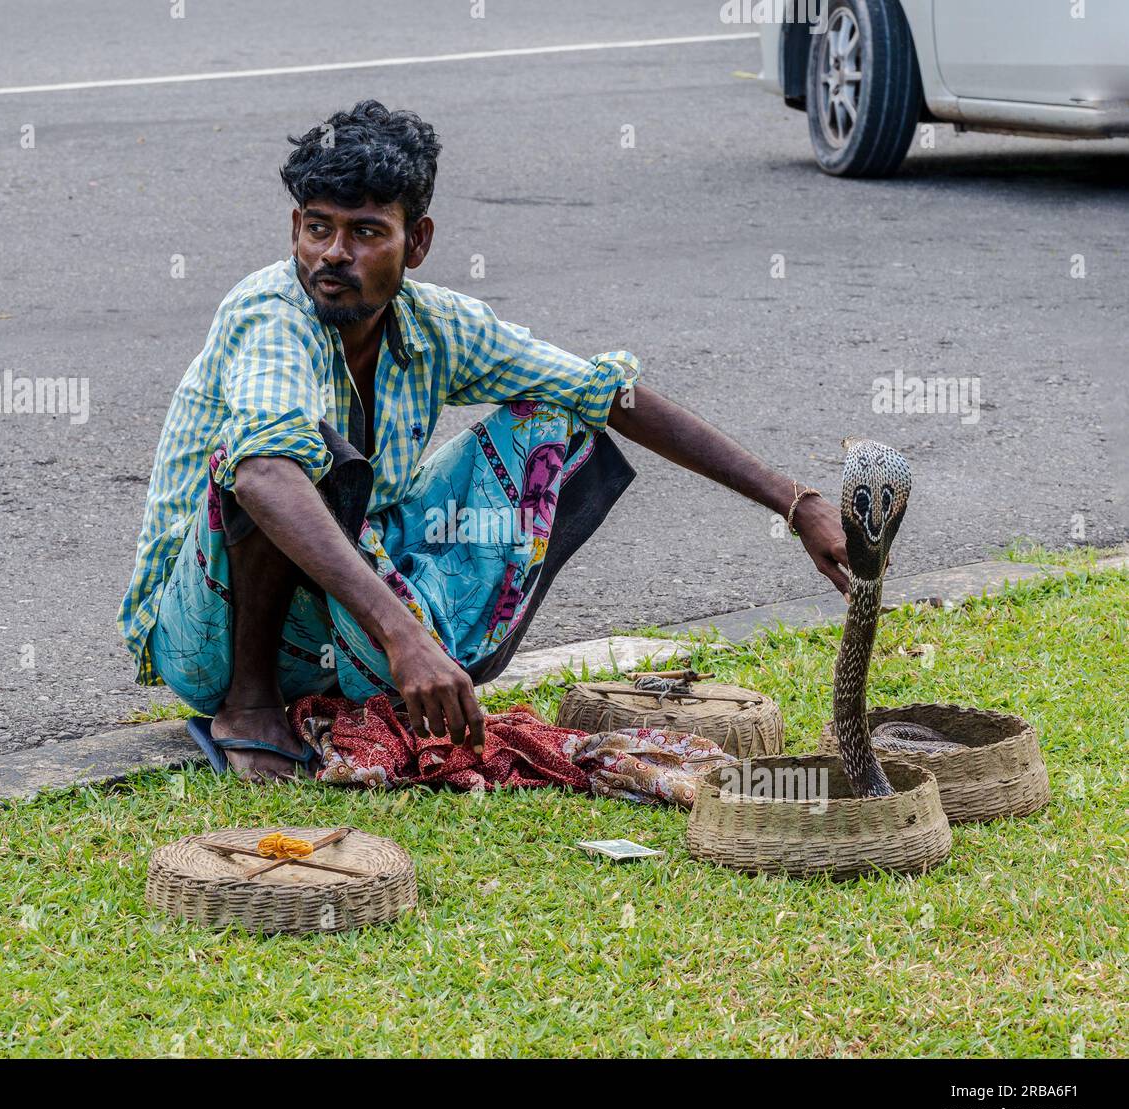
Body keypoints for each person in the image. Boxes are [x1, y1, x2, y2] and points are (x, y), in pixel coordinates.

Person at [119, 99, 849, 783]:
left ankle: (415, 664)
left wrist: (795, 501)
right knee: (273, 458)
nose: (333, 255)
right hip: (203, 631)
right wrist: (404, 636)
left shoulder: (438, 324)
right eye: (318, 228)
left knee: (552, 413)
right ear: (295, 231)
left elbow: (610, 395)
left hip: (319, 634)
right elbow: (263, 476)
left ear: (419, 241)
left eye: (366, 232)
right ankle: (250, 708)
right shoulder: (270, 315)